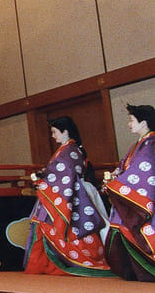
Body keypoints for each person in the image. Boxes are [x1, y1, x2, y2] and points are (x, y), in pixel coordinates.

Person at [23, 116, 109, 276]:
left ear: (65, 132)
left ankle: (69, 261)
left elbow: (67, 174)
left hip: (71, 194)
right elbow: (57, 172)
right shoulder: (67, 150)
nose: (53, 136)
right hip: (61, 192)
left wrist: (43, 181)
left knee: (70, 228)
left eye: (55, 132)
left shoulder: (70, 151)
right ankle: (46, 263)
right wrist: (44, 175)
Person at [104, 103, 155, 281]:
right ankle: (132, 271)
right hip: (128, 196)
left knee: (135, 233)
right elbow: (126, 169)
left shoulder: (150, 145)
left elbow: (143, 171)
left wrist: (116, 183)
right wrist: (114, 178)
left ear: (144, 122)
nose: (129, 124)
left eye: (132, 120)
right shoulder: (138, 145)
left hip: (141, 199)